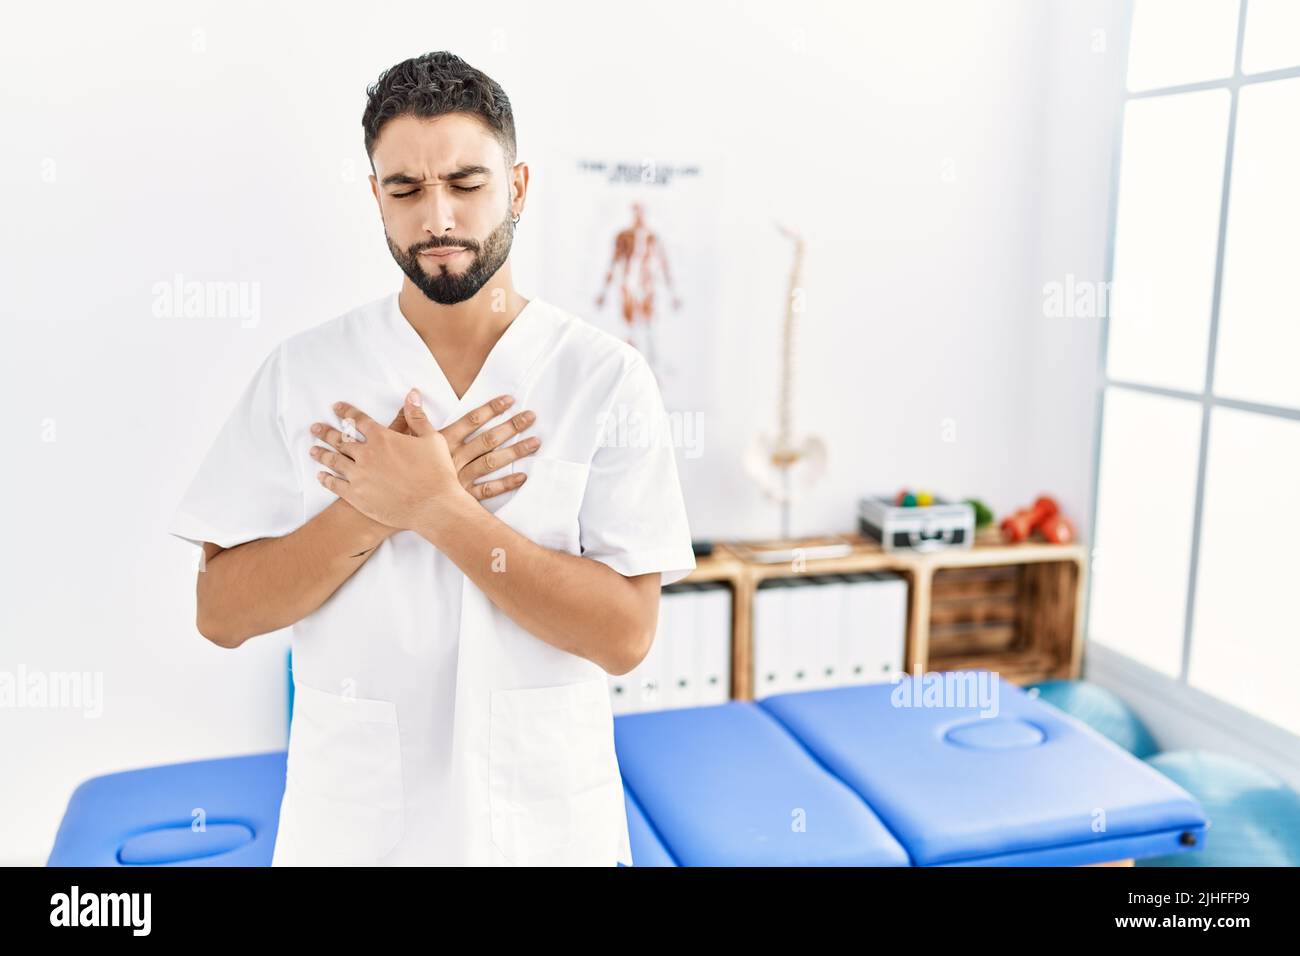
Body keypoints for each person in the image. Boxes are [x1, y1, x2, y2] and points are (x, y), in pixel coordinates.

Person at [168, 51, 696, 866]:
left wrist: (440, 510)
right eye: (406, 190)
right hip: (358, 829)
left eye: (466, 183)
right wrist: (368, 509)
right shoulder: (306, 372)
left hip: (543, 828)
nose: (437, 218)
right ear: (375, 196)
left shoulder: (604, 378)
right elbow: (220, 610)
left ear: (518, 187)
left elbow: (626, 635)